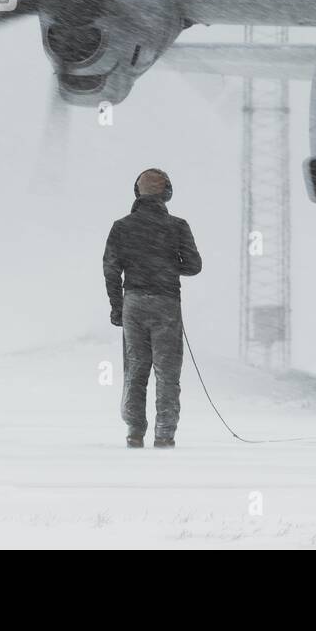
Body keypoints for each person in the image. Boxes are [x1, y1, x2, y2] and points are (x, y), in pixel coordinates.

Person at [103, 168, 202, 448]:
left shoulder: (121, 226)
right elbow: (194, 266)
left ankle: (135, 432)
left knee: (136, 369)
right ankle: (165, 433)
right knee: (168, 372)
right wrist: (168, 266)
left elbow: (111, 270)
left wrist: (116, 307)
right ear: (167, 193)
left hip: (133, 303)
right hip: (166, 303)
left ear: (137, 193)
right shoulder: (178, 226)